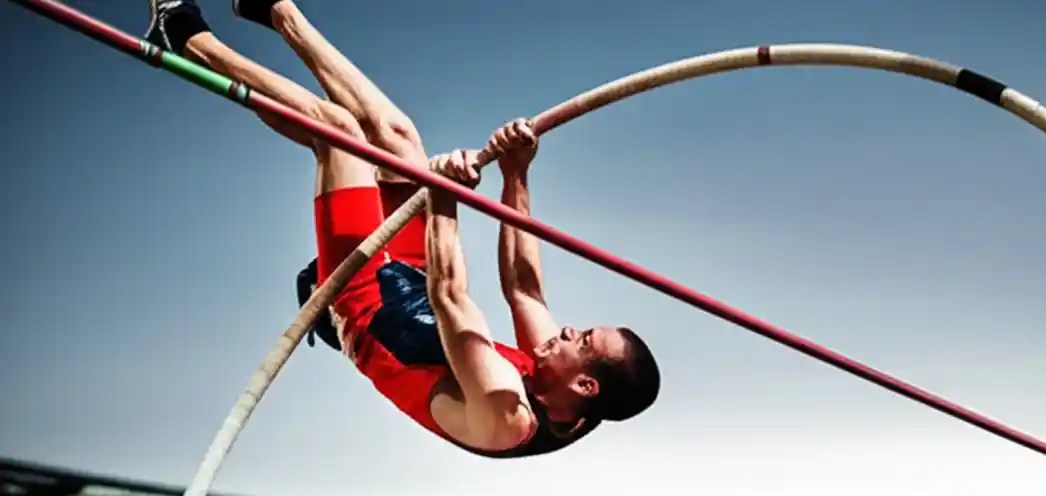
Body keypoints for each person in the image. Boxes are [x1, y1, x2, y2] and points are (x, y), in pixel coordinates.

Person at [144, 0, 660, 457]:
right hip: (412, 283)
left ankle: (186, 37)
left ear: (586, 384)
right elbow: (524, 288)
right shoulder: (562, 375)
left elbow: (451, 300)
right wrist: (516, 174)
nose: (569, 330)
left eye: (583, 338)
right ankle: (277, 9)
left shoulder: (508, 415)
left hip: (365, 305)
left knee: (340, 133)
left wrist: (444, 195)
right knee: (397, 138)